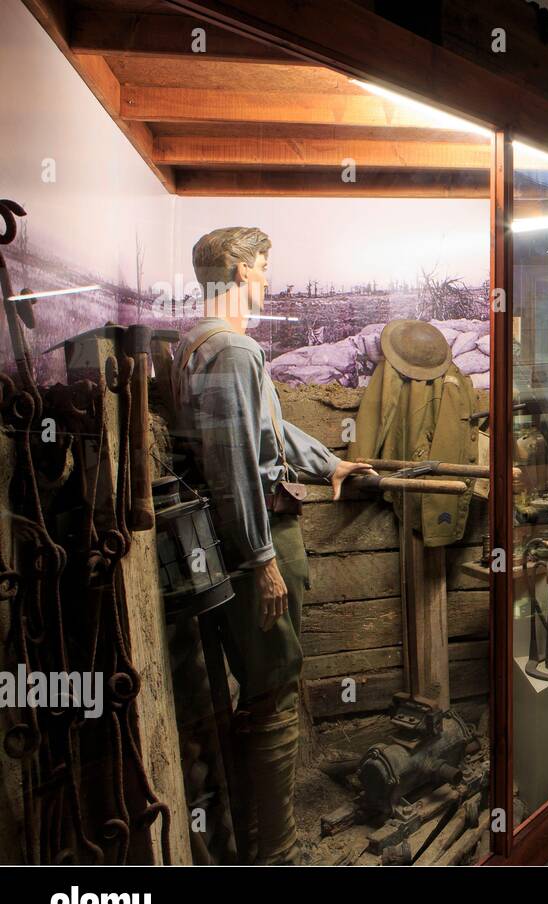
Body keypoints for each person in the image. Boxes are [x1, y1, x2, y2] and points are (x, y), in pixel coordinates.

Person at [171, 226, 374, 864]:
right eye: (261, 267)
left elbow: (267, 426)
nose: (267, 280)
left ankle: (258, 839)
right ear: (235, 272)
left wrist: (328, 464)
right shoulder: (232, 350)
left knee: (260, 684)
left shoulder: (195, 344)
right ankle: (277, 851)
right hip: (254, 538)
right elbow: (235, 464)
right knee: (275, 684)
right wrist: (262, 561)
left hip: (225, 538)